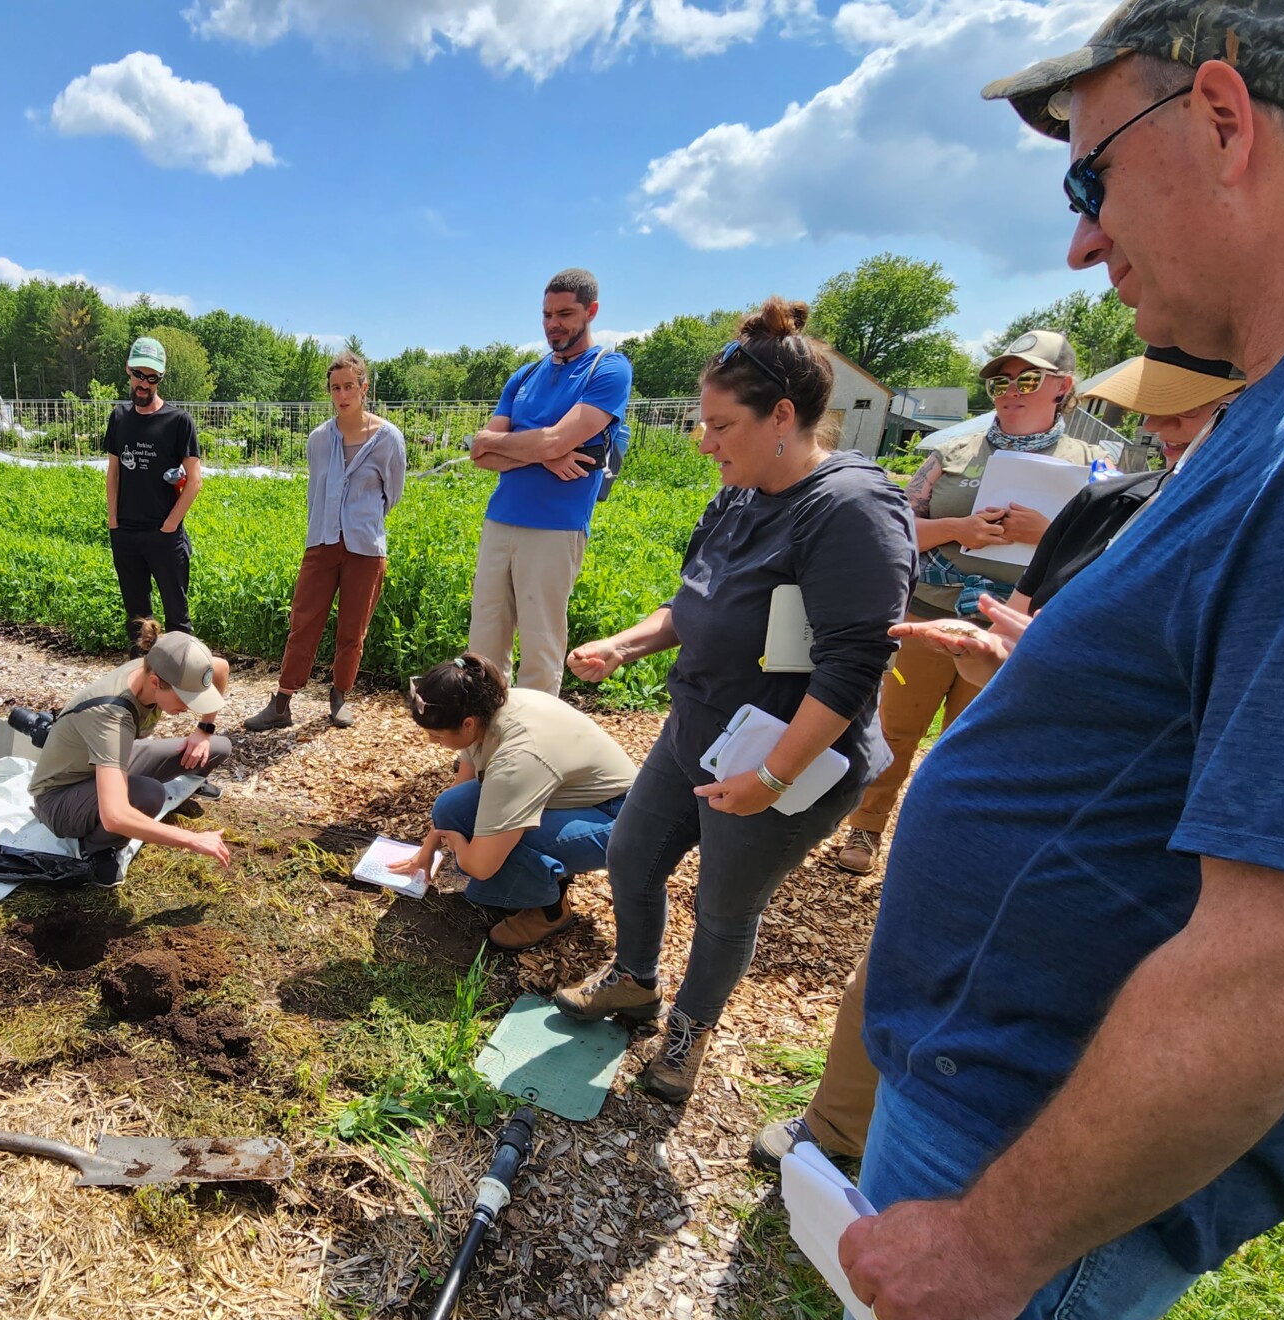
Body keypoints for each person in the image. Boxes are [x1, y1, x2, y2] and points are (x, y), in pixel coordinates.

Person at [710, 12, 1284, 1320]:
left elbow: (1279, 962)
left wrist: (987, 1242)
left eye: (1090, 177)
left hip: (1039, 1124)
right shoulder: (1264, 434)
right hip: (1010, 1079)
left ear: (1224, 119)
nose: (1085, 246)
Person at [749, 342, 1245, 1171]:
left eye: (1193, 407)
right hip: (1002, 785)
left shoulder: (1234, 526)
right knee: (906, 947)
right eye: (1155, 405)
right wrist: (999, 651)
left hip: (1110, 827)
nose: (1163, 425)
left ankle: (974, 1177)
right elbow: (1022, 618)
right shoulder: (1110, 502)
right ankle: (839, 1133)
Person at [556, 299, 914, 1106]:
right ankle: (636, 979)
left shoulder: (852, 509)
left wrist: (775, 779)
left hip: (785, 756)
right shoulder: (740, 493)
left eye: (720, 425)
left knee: (724, 904)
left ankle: (687, 1031)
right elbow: (693, 604)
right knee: (631, 857)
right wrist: (625, 643)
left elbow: (855, 663)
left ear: (782, 416)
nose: (703, 442)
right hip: (699, 727)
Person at [829, 331, 1097, 875]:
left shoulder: (1094, 466)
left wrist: (1047, 532)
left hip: (1017, 628)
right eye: (1000, 380)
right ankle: (867, 825)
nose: (1010, 391)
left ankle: (948, 844)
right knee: (896, 727)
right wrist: (959, 527)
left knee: (977, 743)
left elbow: (1106, 551)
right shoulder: (950, 454)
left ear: (1062, 387)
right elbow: (894, 527)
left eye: (1028, 379)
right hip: (929, 612)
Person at [389, 654, 638, 950]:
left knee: (506, 846)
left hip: (620, 817)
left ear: (467, 724)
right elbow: (458, 793)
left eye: (436, 735)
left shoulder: (516, 759)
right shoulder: (484, 705)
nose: (432, 742)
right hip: (573, 796)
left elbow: (480, 866)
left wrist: (457, 844)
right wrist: (427, 850)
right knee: (451, 809)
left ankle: (549, 911)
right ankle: (532, 882)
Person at [466, 269, 633, 695]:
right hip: (501, 519)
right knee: (483, 646)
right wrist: (543, 451)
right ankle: (480, 752)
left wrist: (535, 445)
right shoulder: (524, 375)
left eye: (565, 313)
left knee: (540, 650)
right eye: (546, 314)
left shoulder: (608, 369)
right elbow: (480, 453)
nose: (553, 324)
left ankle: (532, 755)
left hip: (557, 527)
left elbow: (556, 439)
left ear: (591, 311)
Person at [243, 351, 406, 731]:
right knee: (304, 620)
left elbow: (392, 495)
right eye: (336, 387)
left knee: (353, 628)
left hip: (365, 548)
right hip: (321, 542)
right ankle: (282, 701)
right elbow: (316, 491)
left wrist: (360, 521)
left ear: (364, 388)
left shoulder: (388, 439)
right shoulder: (319, 439)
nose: (343, 393)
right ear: (329, 392)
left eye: (350, 385)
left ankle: (339, 695)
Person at [30, 623, 234, 871]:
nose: (191, 707)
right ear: (156, 682)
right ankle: (96, 847)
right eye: (185, 698)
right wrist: (193, 840)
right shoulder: (111, 715)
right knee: (149, 795)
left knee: (218, 747)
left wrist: (204, 730)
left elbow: (221, 668)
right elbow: (115, 816)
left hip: (109, 760)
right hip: (59, 796)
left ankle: (190, 779)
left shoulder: (159, 666)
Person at [105, 336, 203, 655]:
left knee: (178, 622)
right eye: (138, 374)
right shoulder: (119, 418)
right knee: (136, 623)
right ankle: (141, 692)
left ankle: (180, 690)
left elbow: (195, 481)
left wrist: (169, 527)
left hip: (165, 537)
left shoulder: (178, 422)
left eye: (152, 377)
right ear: (128, 371)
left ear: (160, 378)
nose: (144, 383)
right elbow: (114, 472)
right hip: (127, 535)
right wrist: (114, 524)